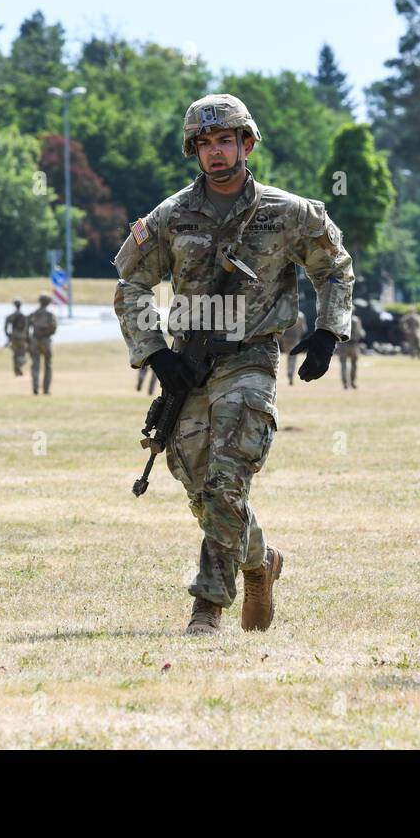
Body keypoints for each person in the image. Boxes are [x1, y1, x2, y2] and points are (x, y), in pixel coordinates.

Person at [114, 94, 354, 635]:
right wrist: (154, 352)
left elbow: (335, 268)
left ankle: (208, 607)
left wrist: (327, 331)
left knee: (226, 481)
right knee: (199, 486)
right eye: (205, 143)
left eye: (226, 140)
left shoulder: (288, 213)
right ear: (193, 151)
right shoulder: (170, 217)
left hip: (252, 360)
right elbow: (130, 281)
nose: (216, 152)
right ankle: (260, 562)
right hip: (188, 368)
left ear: (247, 143)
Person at [28, 293, 56, 395]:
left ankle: (35, 387)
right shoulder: (49, 314)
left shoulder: (34, 314)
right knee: (47, 365)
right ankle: (46, 389)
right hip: (46, 341)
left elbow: (27, 327)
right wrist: (45, 333)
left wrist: (29, 339)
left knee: (35, 364)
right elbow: (53, 328)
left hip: (35, 340)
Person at [279, 310, 309, 385]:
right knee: (293, 357)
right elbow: (304, 330)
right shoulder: (301, 316)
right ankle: (291, 373)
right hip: (295, 339)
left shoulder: (285, 314)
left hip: (285, 339)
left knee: (288, 356)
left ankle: (289, 372)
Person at [339, 314, 365, 389]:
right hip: (353, 345)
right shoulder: (356, 320)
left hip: (343, 345)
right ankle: (353, 382)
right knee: (354, 364)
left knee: (343, 365)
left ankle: (345, 383)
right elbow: (360, 333)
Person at [4, 298, 29, 376]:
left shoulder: (11, 316)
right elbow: (27, 328)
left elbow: (6, 327)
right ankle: (18, 369)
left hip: (14, 337)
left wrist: (8, 335)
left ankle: (17, 369)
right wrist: (28, 338)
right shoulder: (24, 316)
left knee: (15, 354)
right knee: (22, 354)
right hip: (22, 337)